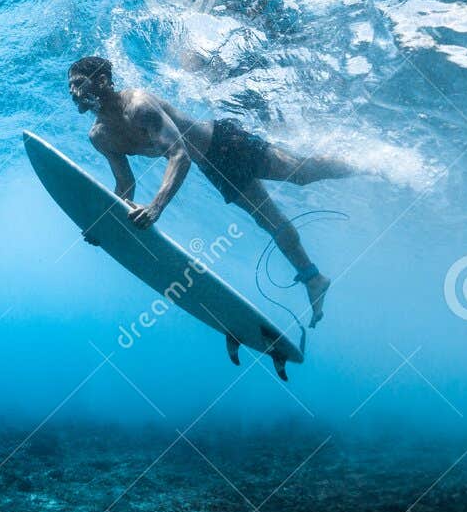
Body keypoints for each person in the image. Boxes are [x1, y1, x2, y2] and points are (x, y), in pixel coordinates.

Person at [67, 55, 356, 328]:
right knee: (267, 220)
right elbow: (125, 185)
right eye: (69, 86)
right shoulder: (100, 136)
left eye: (78, 83)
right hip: (212, 166)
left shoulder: (139, 106)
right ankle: (313, 278)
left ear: (102, 81)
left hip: (225, 143)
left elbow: (179, 156)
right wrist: (105, 225)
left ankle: (365, 163)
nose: (72, 91)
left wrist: (155, 207)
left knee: (301, 174)